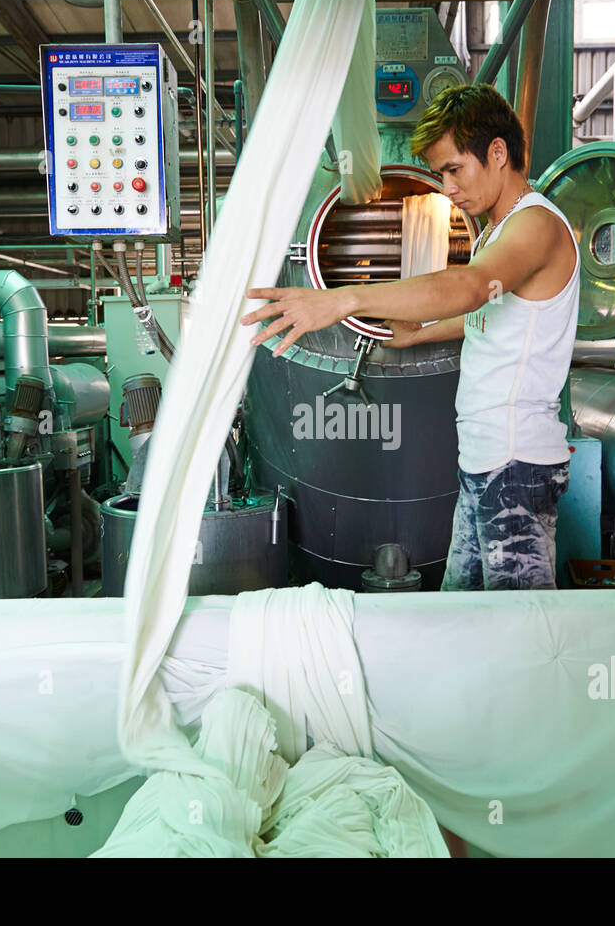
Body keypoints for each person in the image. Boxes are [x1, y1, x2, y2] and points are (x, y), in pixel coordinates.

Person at [242, 83, 580, 591]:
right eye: (442, 173)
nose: (447, 188)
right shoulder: (498, 230)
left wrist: (344, 298)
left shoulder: (535, 226)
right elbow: (491, 315)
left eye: (453, 169)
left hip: (517, 467)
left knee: (521, 631)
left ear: (497, 152)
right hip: (485, 460)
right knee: (460, 614)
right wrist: (419, 334)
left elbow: (467, 289)